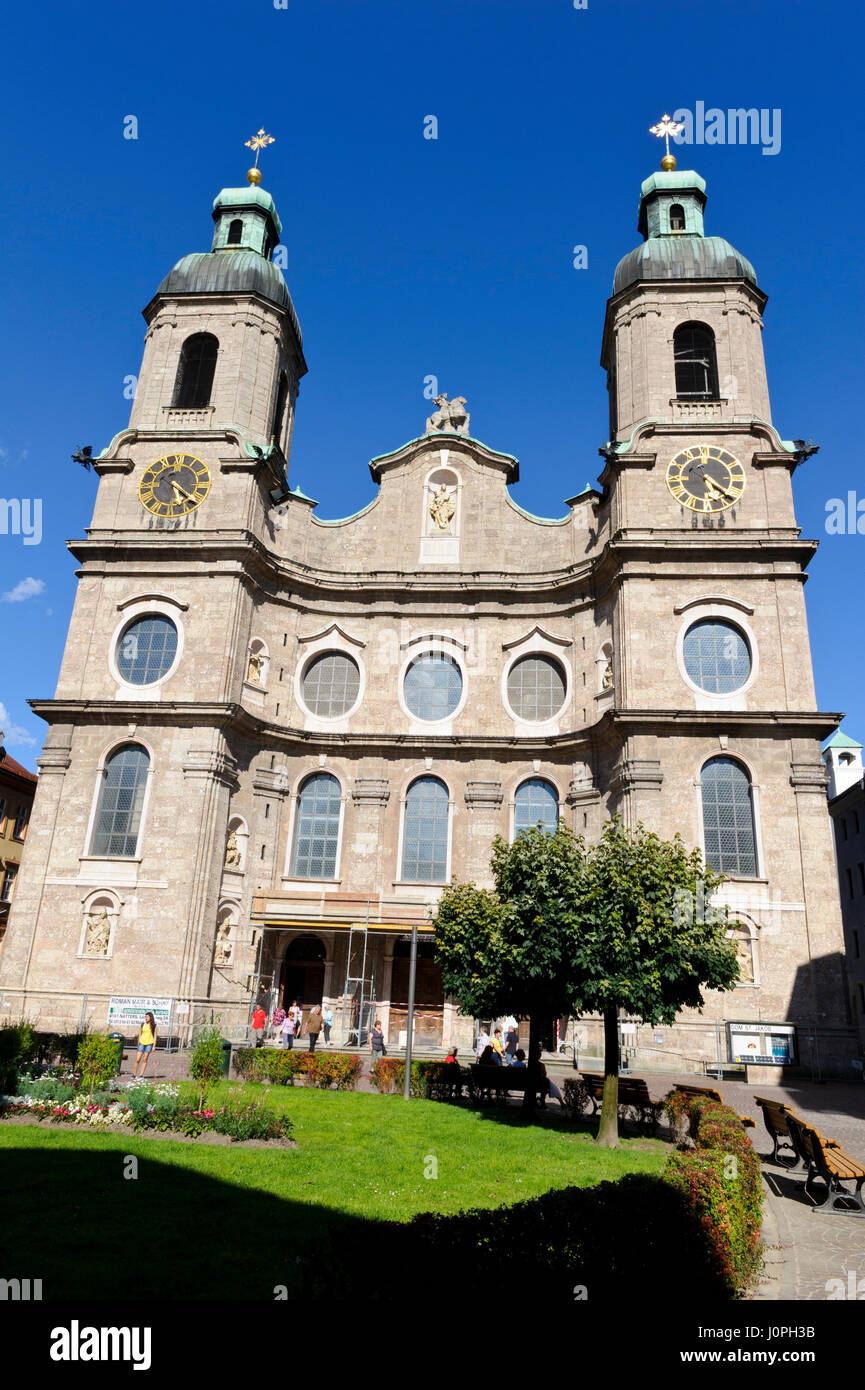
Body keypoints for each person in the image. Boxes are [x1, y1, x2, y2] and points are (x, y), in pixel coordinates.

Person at [133, 1012, 157, 1077]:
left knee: (145, 1059)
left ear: (150, 1018)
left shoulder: (154, 1026)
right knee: (138, 1059)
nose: (146, 1018)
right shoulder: (142, 1024)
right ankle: (134, 1074)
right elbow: (140, 1034)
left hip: (149, 1044)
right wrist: (138, 1043)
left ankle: (141, 1074)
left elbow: (155, 1036)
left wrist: (154, 1046)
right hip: (142, 1043)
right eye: (145, 1017)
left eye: (147, 1017)